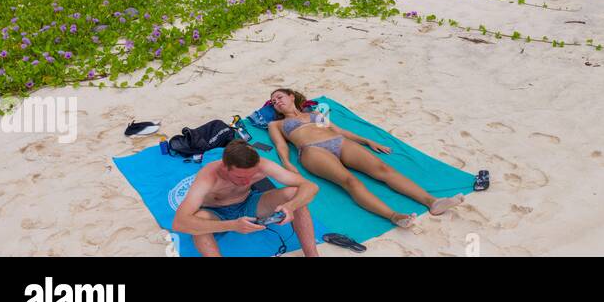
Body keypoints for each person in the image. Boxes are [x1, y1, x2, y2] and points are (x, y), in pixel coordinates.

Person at [267, 88, 464, 228]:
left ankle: (433, 202)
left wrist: (368, 141)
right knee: (350, 181)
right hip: (312, 151)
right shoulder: (276, 125)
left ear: (291, 96)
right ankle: (394, 216)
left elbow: (339, 130)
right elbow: (281, 145)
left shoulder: (315, 113)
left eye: (279, 97)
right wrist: (287, 164)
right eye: (274, 102)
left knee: (383, 170)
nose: (277, 102)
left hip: (338, 141)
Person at [171, 139, 320, 257]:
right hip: (215, 213)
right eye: (240, 177)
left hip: (248, 203)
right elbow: (179, 223)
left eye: (252, 176)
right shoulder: (208, 176)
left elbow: (310, 186)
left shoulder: (262, 165)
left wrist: (291, 206)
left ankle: (312, 255)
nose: (247, 182)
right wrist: (233, 225)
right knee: (197, 224)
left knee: (294, 194)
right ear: (225, 167)